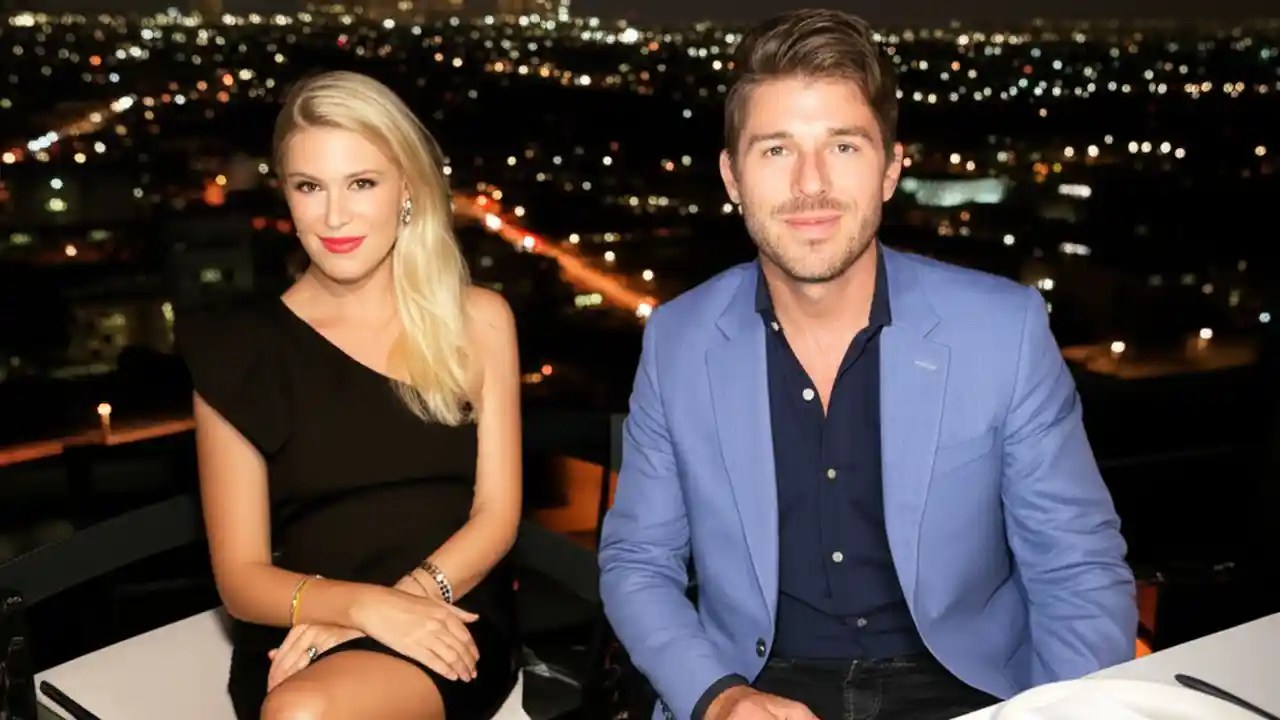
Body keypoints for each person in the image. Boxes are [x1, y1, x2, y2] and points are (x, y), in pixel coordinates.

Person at [598, 9, 1137, 720]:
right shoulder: (678, 339)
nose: (811, 184)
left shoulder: (1001, 328)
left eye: (844, 147)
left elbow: (1077, 567)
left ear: (890, 169)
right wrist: (719, 698)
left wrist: (1058, 713)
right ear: (732, 176)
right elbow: (639, 564)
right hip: (752, 688)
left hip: (970, 691)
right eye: (776, 150)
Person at [176, 70, 522, 720]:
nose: (334, 216)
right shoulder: (237, 351)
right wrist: (362, 609)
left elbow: (497, 515)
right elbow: (242, 581)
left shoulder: (478, 320)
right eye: (311, 187)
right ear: (287, 196)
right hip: (304, 626)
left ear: (409, 189)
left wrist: (407, 603)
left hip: (450, 612)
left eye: (362, 183)